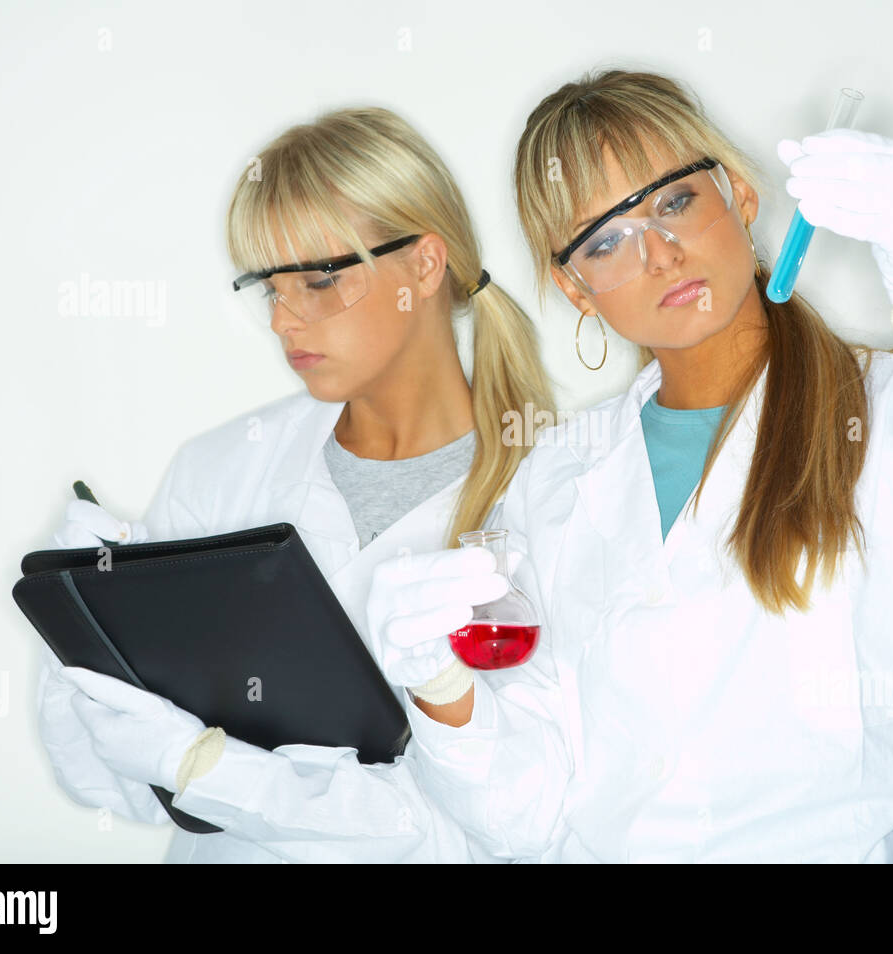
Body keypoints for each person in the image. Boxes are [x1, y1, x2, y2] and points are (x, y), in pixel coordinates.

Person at [364, 69, 893, 862]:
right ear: (575, 288)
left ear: (739, 195)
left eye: (674, 201)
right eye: (606, 240)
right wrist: (440, 690)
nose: (658, 253)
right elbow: (526, 814)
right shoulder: (555, 478)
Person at [34, 106, 554, 863]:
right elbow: (113, 787)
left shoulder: (549, 492)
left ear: (424, 264)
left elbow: (489, 829)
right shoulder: (220, 469)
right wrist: (80, 640)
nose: (284, 321)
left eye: (317, 280)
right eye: (268, 287)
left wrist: (210, 768)